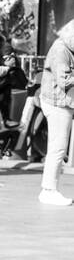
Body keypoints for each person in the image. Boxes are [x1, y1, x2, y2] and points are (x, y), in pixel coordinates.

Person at [38, 18, 74, 206]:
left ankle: (49, 189)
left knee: (58, 147)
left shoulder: (66, 47)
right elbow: (64, 81)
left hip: (61, 102)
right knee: (58, 147)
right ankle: (49, 190)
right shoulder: (61, 50)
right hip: (58, 103)